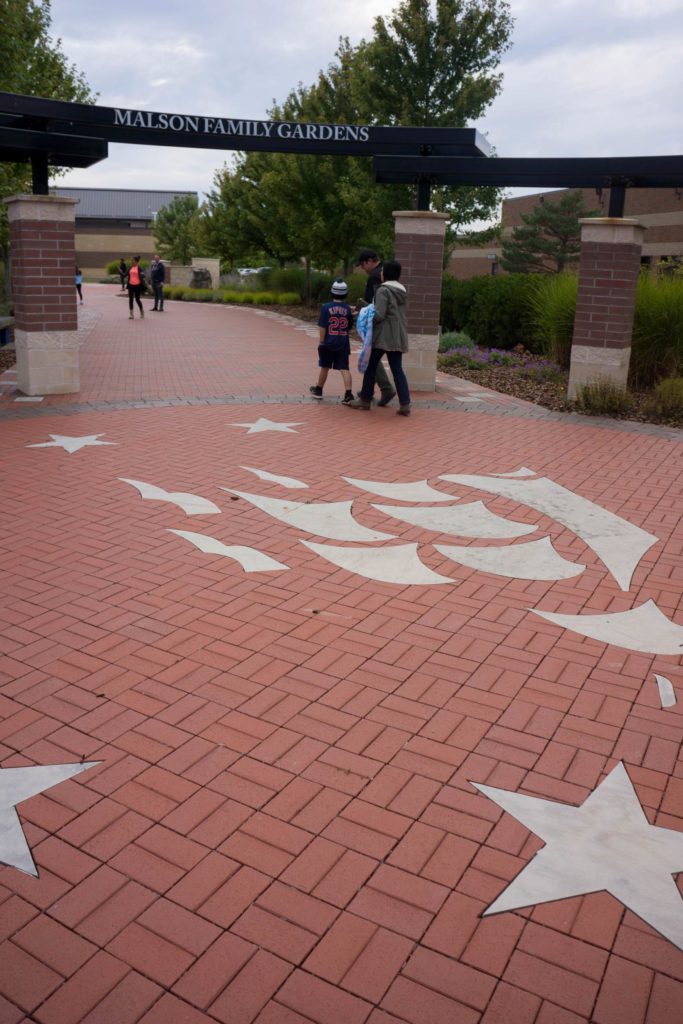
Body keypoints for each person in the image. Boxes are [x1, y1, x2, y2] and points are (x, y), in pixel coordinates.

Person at [348, 260, 410, 416]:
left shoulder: (383, 290)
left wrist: (363, 314)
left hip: (383, 337)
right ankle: (405, 404)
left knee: (370, 366)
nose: (380, 273)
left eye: (382, 271)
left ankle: (365, 400)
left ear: (385, 274)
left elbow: (379, 315)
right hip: (398, 336)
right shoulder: (402, 291)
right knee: (397, 370)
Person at [355, 248, 396, 406]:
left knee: (371, 356)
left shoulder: (374, 276)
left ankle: (383, 389)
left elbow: (372, 304)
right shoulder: (386, 271)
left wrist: (361, 311)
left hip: (377, 322)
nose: (363, 268)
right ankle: (368, 391)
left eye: (362, 265)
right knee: (374, 357)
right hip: (391, 323)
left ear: (369, 261)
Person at [310, 279, 355, 405]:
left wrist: (321, 342)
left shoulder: (326, 307)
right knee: (344, 368)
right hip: (343, 343)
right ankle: (348, 394)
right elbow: (349, 327)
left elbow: (323, 326)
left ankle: (319, 390)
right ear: (346, 294)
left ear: (332, 293)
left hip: (328, 342)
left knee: (325, 366)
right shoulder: (348, 309)